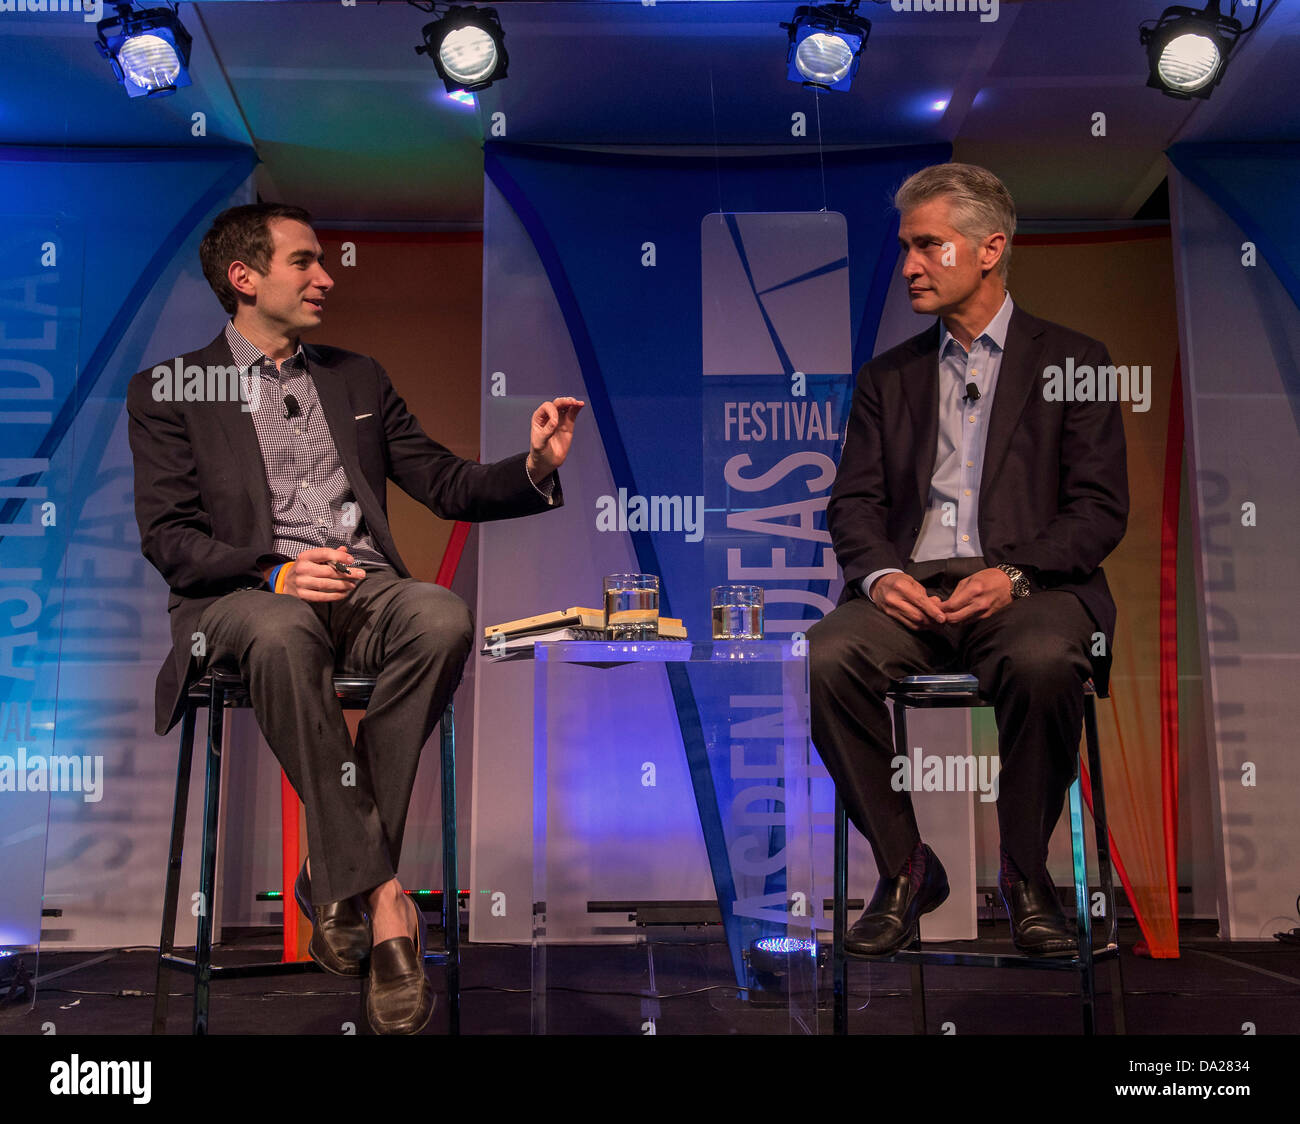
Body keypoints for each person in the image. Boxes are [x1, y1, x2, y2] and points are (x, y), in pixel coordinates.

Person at [127, 202, 583, 1033]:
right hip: (241, 601)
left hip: (364, 590)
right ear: (244, 278)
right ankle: (382, 901)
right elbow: (170, 539)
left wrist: (533, 465)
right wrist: (274, 570)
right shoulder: (169, 390)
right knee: (281, 626)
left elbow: (444, 484)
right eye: (303, 262)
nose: (325, 275)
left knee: (440, 616)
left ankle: (332, 871)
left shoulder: (356, 378)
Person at [808, 164, 1128, 958]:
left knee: (1046, 661)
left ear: (989, 250)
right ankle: (907, 869)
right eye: (907, 247)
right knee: (827, 656)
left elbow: (1098, 511)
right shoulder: (888, 376)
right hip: (914, 592)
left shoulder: (1076, 359)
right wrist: (883, 577)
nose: (910, 265)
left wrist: (1015, 574)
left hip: (1032, 584)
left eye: (928, 245)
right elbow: (852, 504)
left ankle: (1024, 875)